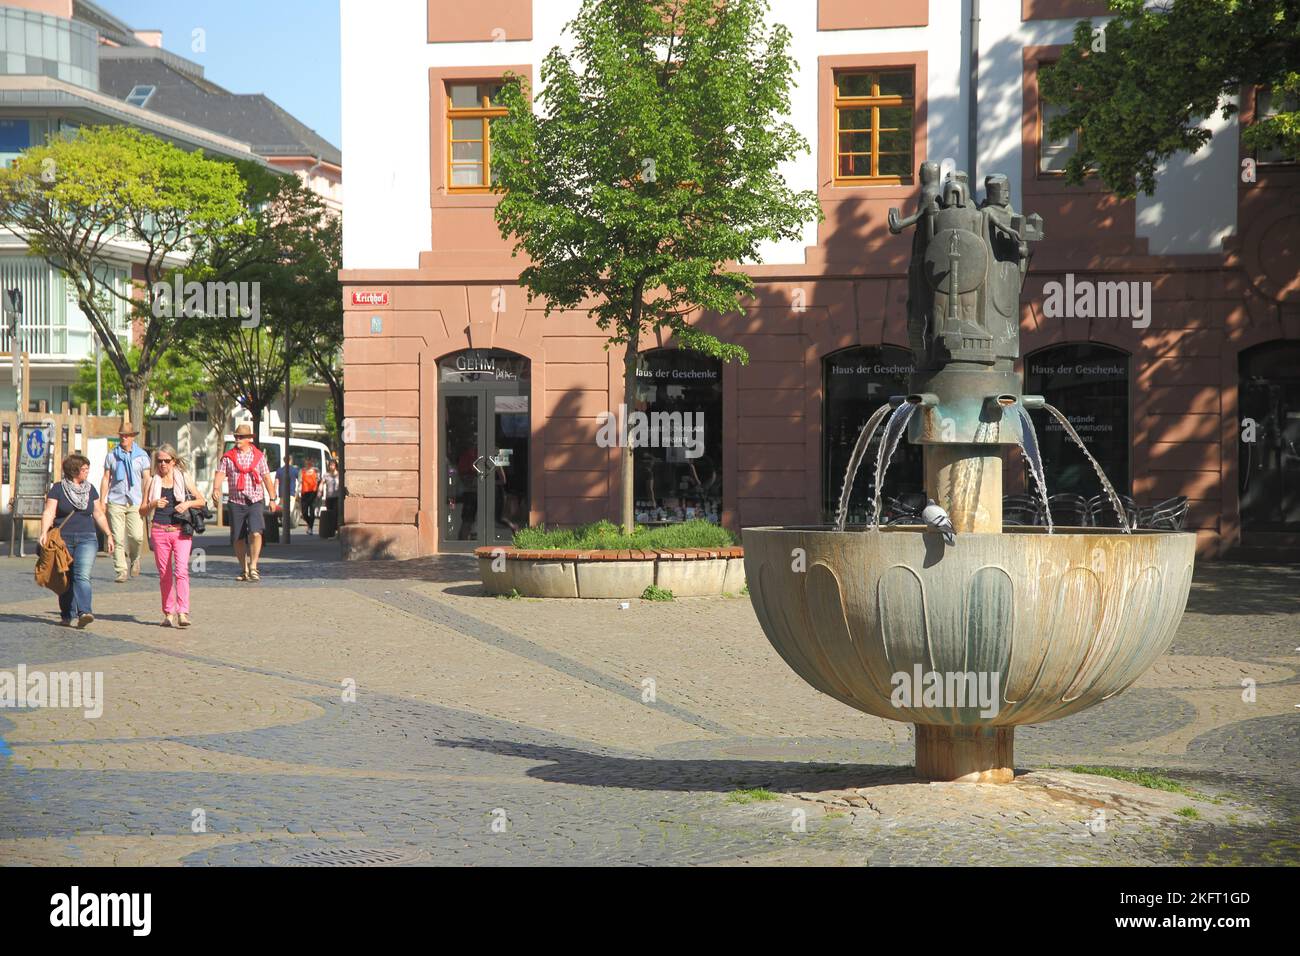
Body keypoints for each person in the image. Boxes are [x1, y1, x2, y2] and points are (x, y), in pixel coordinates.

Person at [39, 454, 114, 628]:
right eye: (84, 469)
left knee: (82, 575)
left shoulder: (90, 489)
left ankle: (85, 612)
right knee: (66, 577)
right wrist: (43, 532)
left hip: (87, 538)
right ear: (74, 471)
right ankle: (67, 614)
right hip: (62, 540)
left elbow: (98, 513)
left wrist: (109, 534)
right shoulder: (58, 489)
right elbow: (49, 512)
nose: (88, 472)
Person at [140, 444, 205, 628]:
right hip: (159, 530)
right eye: (159, 461)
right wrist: (153, 503)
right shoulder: (152, 481)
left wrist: (187, 504)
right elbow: (141, 511)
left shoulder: (183, 478)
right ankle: (169, 613)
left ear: (173, 461)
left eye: (166, 461)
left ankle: (183, 612)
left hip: (180, 531)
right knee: (164, 574)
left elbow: (202, 501)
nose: (162, 464)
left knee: (181, 571)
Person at [212, 423, 278, 582]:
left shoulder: (258, 456)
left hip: (255, 500)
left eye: (241, 437)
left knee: (256, 532)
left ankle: (253, 566)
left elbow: (266, 477)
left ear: (249, 439)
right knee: (238, 537)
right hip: (236, 501)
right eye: (236, 437)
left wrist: (273, 498)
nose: (237, 440)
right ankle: (244, 569)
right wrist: (216, 488)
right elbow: (221, 473)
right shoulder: (229, 457)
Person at [100, 415, 151, 583]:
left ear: (133, 437)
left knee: (137, 536)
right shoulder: (112, 455)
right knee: (117, 538)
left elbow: (147, 479)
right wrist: (102, 500)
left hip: (135, 501)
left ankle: (135, 558)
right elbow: (106, 478)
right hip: (116, 500)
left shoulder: (142, 456)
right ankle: (121, 570)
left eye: (127, 435)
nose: (123, 438)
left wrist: (146, 500)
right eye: (121, 435)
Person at [299, 458, 320, 534]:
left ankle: (310, 528)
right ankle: (309, 524)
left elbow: (318, 481)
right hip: (304, 493)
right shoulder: (302, 471)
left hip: (313, 493)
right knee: (304, 513)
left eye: (310, 462)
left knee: (312, 511)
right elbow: (300, 482)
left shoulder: (316, 471)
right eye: (307, 462)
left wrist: (319, 491)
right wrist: (297, 492)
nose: (309, 464)